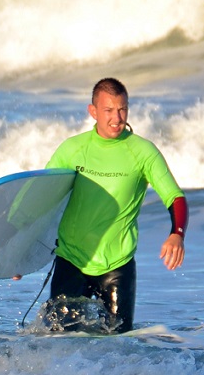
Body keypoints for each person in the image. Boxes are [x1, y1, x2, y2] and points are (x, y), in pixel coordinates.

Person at [42, 77, 187, 333]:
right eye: (109, 110)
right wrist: (19, 254)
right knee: (59, 342)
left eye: (122, 109)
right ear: (93, 111)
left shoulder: (142, 151)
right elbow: (42, 201)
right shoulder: (72, 149)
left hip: (117, 266)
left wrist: (177, 234)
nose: (117, 118)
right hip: (71, 260)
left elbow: (174, 197)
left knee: (118, 345)